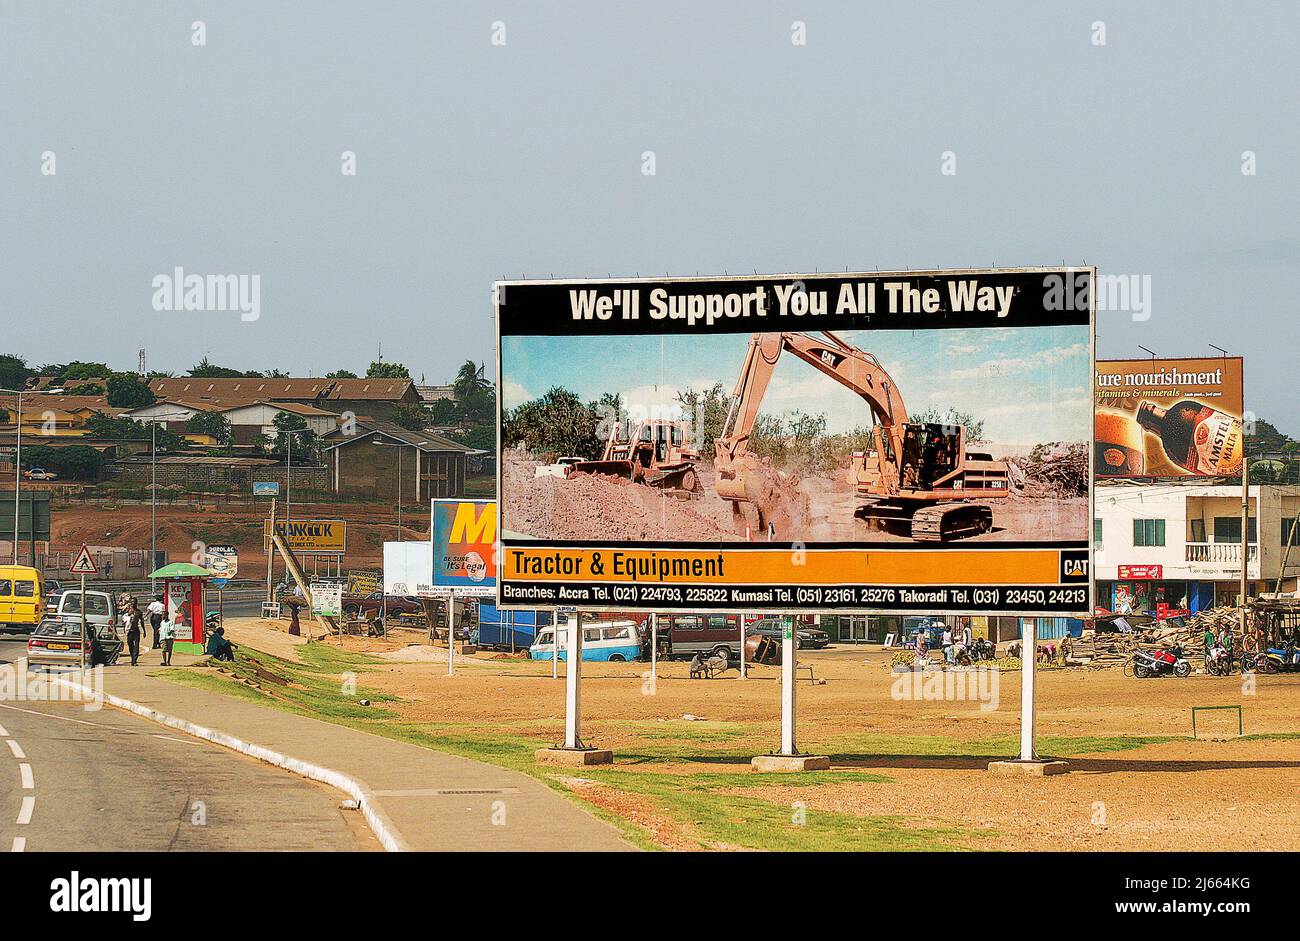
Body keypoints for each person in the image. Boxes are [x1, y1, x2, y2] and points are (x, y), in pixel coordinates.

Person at [124, 599, 145, 667]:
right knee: (130, 645)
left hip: (136, 630)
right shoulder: (128, 611)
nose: (133, 603)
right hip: (129, 631)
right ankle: (132, 657)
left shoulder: (139, 612)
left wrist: (144, 631)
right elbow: (124, 620)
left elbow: (142, 621)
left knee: (136, 645)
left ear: (136, 603)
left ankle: (134, 660)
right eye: (132, 602)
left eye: (134, 602)